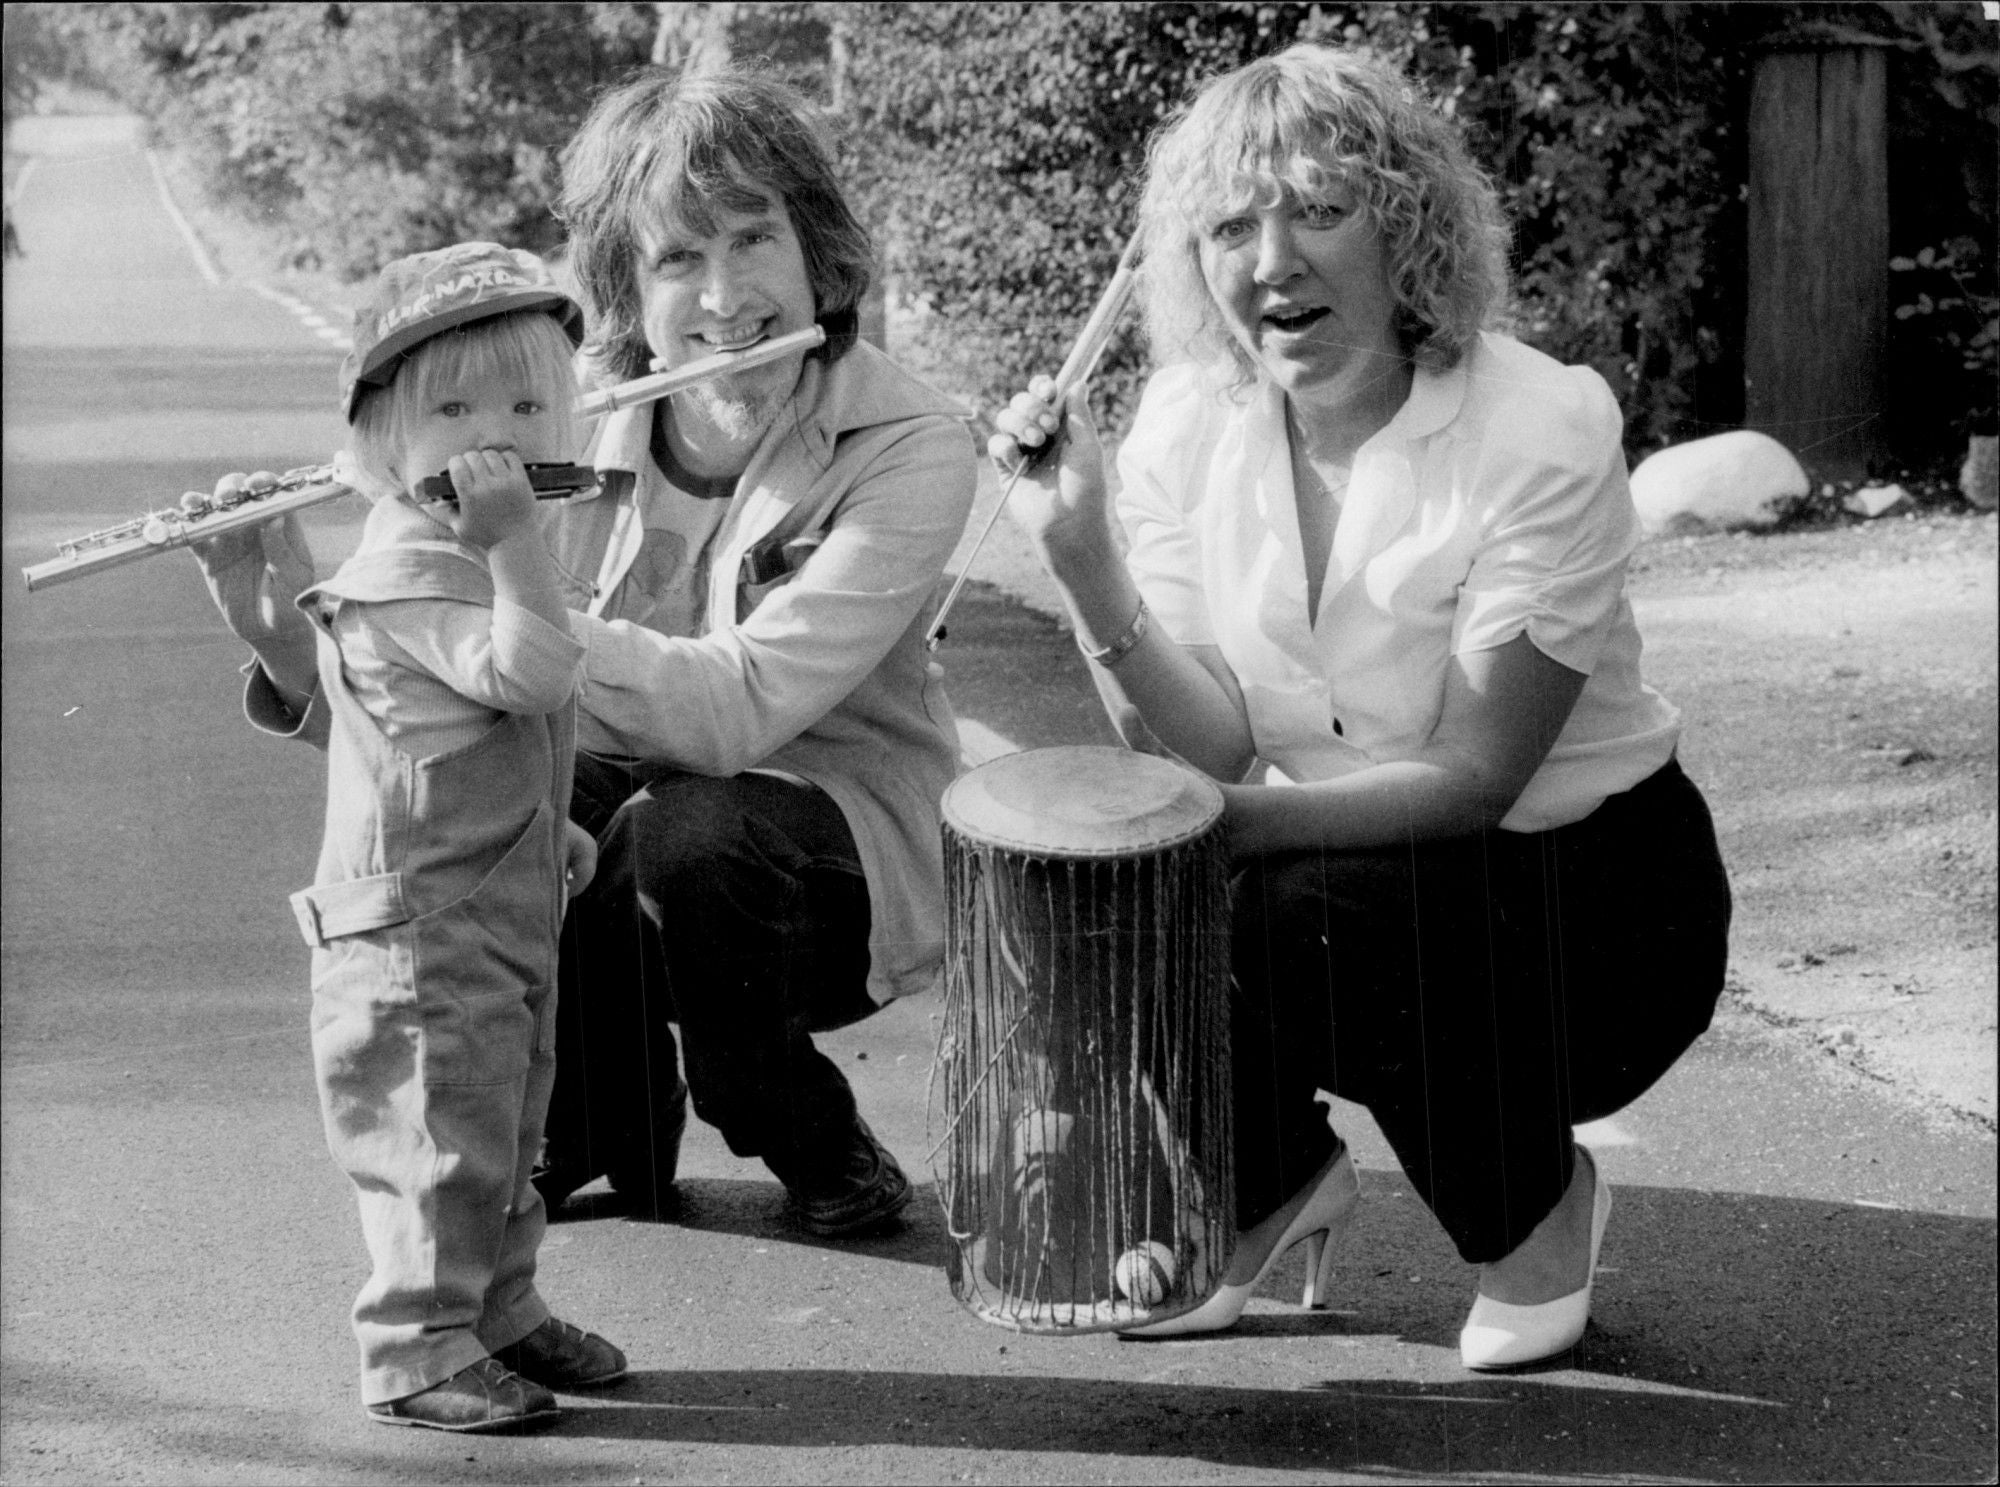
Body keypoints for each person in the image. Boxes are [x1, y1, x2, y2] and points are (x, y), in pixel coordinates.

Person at [991, 44, 1731, 1369]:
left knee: (1283, 895)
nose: (1271, 259)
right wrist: (1081, 556)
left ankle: (1538, 1207)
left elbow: (1475, 778)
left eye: (1318, 209)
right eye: (1231, 225)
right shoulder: (1180, 421)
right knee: (1131, 872)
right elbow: (1209, 738)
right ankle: (1266, 1179)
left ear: (1409, 228)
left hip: (1594, 905)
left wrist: (1219, 825)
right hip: (1361, 874)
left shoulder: (1543, 425)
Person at [202, 66, 976, 1241]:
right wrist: (305, 642)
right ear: (628, 285)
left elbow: (734, 711)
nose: (723, 297)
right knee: (494, 791)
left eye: (751, 239)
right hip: (636, 818)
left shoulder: (905, 447)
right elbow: (447, 707)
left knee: (688, 830)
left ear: (815, 250)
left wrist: (506, 587)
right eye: (676, 260)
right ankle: (597, 1114)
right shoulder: (568, 431)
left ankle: (793, 1119)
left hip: (834, 848)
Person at [275, 241, 625, 1432]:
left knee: (511, 1120)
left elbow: (512, 734)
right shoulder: (413, 565)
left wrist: (557, 827)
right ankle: (416, 1343)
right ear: (383, 444)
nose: (503, 435)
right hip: (420, 933)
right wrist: (519, 544)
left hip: (497, 898)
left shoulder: (470, 549)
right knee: (442, 1134)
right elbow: (528, 672)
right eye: (459, 409)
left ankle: (502, 1308)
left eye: (530, 404)